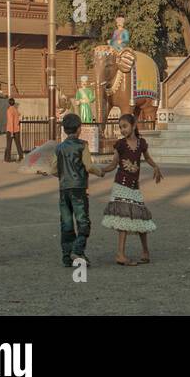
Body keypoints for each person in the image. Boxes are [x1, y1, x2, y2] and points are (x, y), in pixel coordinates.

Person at [99, 114, 162, 265]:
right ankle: (120, 254)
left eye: (125, 126)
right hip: (121, 184)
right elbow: (114, 164)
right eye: (120, 127)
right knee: (123, 218)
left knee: (141, 216)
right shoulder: (120, 144)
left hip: (134, 186)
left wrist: (155, 166)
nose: (122, 130)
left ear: (133, 125)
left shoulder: (141, 144)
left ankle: (145, 251)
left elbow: (146, 157)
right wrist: (101, 170)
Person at [51, 112, 102, 266]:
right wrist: (100, 172)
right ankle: (78, 250)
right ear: (79, 128)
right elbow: (89, 165)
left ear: (64, 129)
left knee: (66, 222)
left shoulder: (59, 148)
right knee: (83, 222)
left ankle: (66, 256)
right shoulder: (82, 145)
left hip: (64, 188)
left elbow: (54, 169)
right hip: (78, 187)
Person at [3, 98, 24, 162]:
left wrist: (11, 132)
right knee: (18, 144)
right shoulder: (16, 110)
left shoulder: (9, 110)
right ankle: (21, 156)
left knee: (9, 145)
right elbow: (18, 117)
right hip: (17, 130)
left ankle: (7, 158)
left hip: (10, 130)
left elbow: (10, 121)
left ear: (9, 103)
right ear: (14, 103)